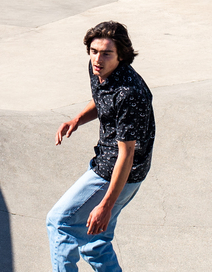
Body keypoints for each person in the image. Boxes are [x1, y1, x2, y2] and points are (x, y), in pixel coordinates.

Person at [50, 21, 155, 272]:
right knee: (94, 241)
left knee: (59, 222)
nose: (98, 59)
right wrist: (77, 119)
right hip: (125, 171)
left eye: (107, 53)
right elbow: (101, 101)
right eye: (94, 51)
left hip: (115, 172)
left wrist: (106, 205)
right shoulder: (99, 69)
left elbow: (126, 154)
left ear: (121, 56)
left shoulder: (128, 94)